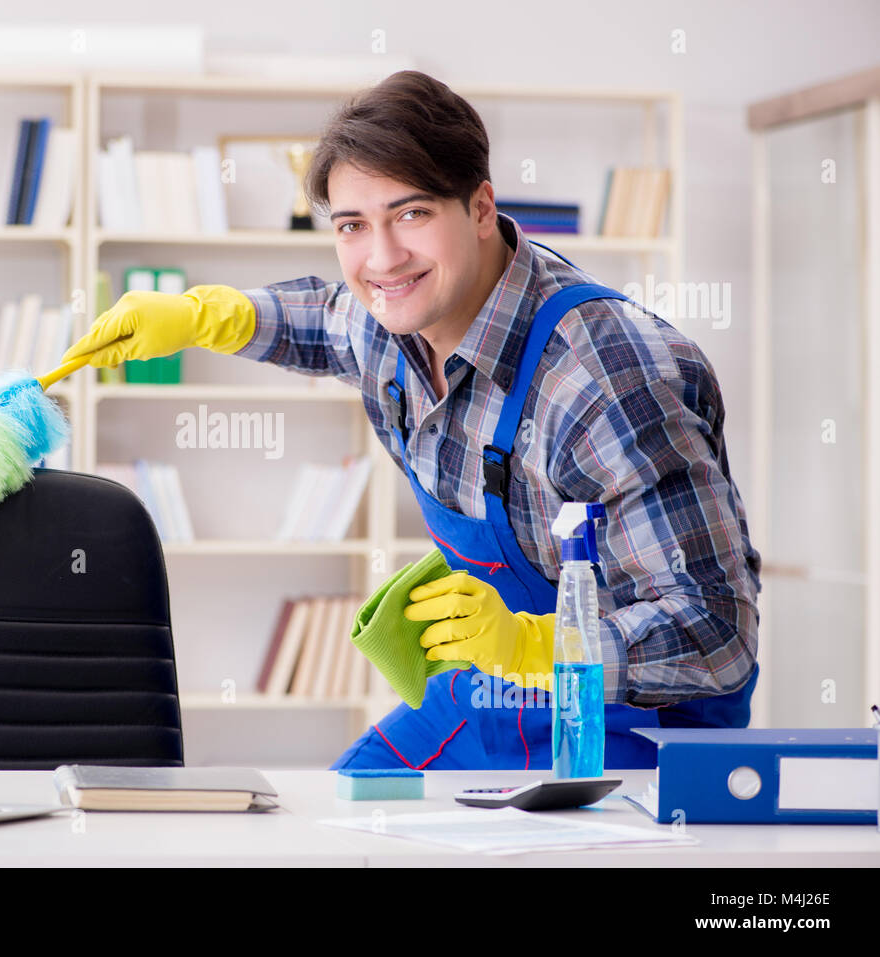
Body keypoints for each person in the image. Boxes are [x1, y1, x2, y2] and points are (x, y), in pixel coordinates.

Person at [61, 70, 761, 770]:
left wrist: (533, 647)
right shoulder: (389, 323)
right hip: (489, 691)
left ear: (482, 208)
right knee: (339, 817)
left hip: (635, 729)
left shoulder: (602, 379)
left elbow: (718, 633)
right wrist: (206, 316)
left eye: (412, 214)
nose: (382, 258)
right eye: (352, 226)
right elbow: (324, 321)